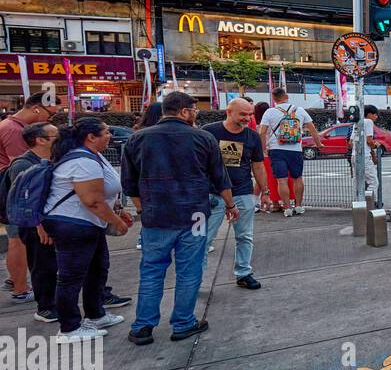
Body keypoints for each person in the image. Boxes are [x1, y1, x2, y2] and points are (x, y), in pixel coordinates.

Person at [122, 92, 235, 345]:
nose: (196, 114)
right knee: (189, 270)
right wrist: (230, 204)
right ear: (184, 111)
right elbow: (220, 177)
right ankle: (183, 322)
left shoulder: (137, 139)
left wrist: (143, 210)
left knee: (151, 270)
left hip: (156, 215)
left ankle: (143, 326)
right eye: (194, 110)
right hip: (194, 214)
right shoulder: (203, 138)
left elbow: (129, 185)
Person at [44, 118, 134, 343]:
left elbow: (103, 193)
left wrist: (117, 209)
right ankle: (69, 328)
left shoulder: (92, 155)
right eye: (105, 132)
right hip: (73, 224)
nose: (109, 136)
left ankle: (96, 314)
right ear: (90, 137)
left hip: (90, 224)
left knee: (97, 270)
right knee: (71, 277)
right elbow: (92, 200)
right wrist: (116, 221)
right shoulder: (82, 160)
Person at [0, 93, 62, 300]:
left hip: (15, 195)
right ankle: (21, 288)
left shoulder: (13, 127)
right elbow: (26, 172)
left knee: (20, 240)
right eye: (49, 115)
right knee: (18, 240)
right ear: (37, 108)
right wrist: (38, 221)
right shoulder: (14, 130)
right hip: (17, 197)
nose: (49, 120)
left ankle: (17, 281)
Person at [202, 98, 265, 290]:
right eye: (243, 114)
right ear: (229, 112)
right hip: (213, 194)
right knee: (203, 239)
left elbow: (258, 166)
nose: (247, 118)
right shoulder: (209, 132)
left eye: (250, 114)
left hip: (242, 192)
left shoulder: (252, 137)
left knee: (245, 236)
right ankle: (195, 279)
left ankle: (244, 273)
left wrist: (266, 191)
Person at [258, 88, 321, 217]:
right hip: (295, 150)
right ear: (286, 96)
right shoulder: (300, 110)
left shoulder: (269, 112)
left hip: (276, 150)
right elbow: (313, 130)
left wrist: (264, 148)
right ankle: (298, 206)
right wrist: (319, 144)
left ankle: (287, 208)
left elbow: (262, 132)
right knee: (297, 178)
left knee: (282, 180)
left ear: (274, 99)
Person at [361, 104, 380, 194]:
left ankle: (359, 204)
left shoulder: (357, 122)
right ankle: (371, 204)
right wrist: (374, 145)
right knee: (373, 182)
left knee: (358, 182)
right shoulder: (368, 122)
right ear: (369, 114)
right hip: (365, 156)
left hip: (355, 155)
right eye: (375, 114)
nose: (376, 116)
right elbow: (369, 141)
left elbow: (350, 142)